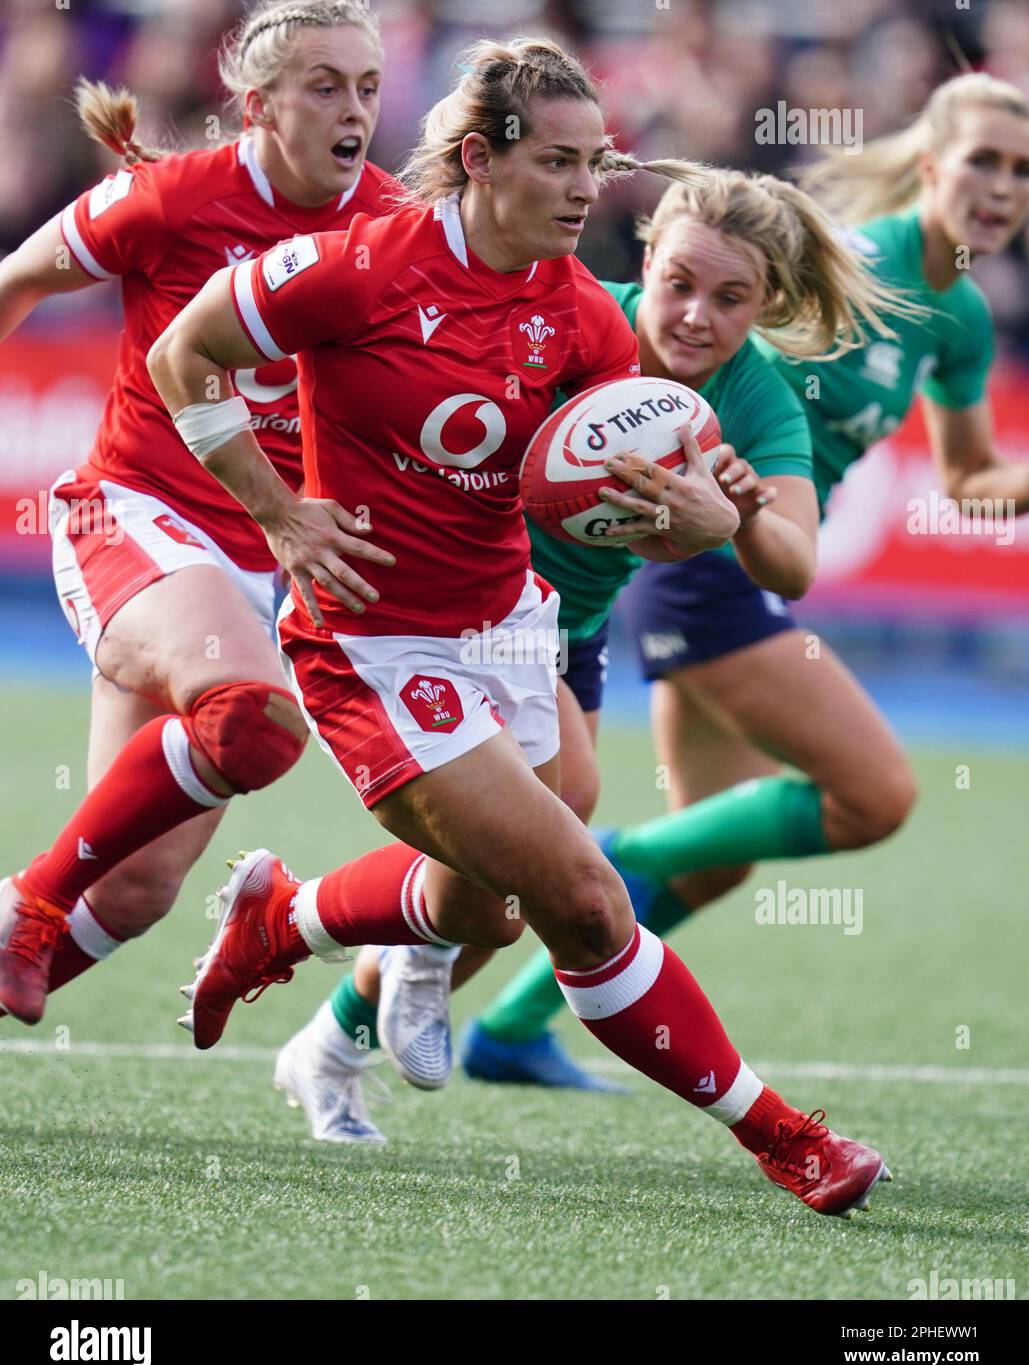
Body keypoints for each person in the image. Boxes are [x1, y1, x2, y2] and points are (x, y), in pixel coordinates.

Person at [151, 36, 891, 1218]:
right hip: (373, 642)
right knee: (583, 898)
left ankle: (280, 917)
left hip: (512, 630)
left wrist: (698, 518)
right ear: (483, 161)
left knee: (483, 902)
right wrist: (281, 514)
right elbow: (182, 350)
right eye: (560, 163)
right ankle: (788, 1138)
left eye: (598, 163)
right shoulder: (354, 271)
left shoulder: (587, 324)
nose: (588, 189)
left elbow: (614, 508)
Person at [465, 70, 1029, 1091]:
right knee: (876, 794)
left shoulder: (962, 319)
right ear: (930, 163)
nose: (1000, 187)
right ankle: (605, 852)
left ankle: (509, 1027)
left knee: (715, 856)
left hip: (745, 554)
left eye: (1022, 172)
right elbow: (704, 330)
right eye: (982, 160)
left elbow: (969, 481)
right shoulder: (855, 267)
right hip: (709, 558)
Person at [0, 0, 396, 1027]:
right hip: (126, 514)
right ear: (259, 106)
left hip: (247, 561)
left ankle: (36, 907)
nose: (353, 109)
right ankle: (26, 905)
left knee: (135, 888)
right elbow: (18, 281)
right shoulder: (170, 199)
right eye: (324, 86)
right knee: (254, 719)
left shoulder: (394, 226)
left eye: (366, 87)